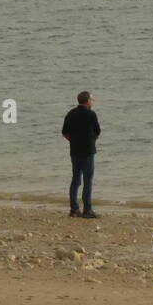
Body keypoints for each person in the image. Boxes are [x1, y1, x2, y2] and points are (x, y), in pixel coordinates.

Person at [61, 90, 101, 218]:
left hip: (75, 151)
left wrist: (73, 141)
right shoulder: (91, 114)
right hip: (88, 151)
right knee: (88, 181)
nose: (92, 102)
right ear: (88, 101)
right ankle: (87, 209)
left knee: (75, 180)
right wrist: (91, 140)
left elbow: (65, 132)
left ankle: (74, 209)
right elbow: (97, 131)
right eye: (92, 100)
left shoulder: (71, 113)